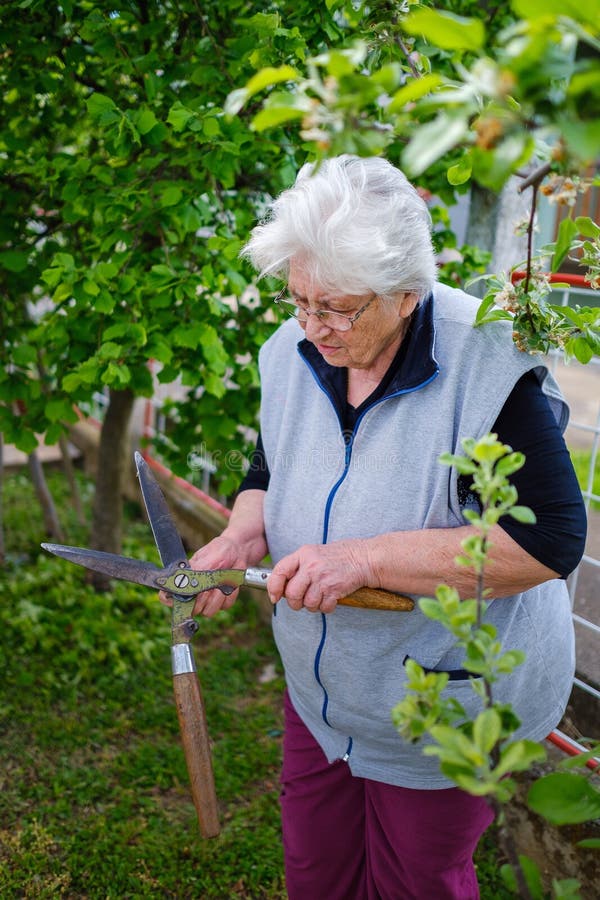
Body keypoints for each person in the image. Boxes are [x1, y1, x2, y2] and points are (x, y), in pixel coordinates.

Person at [185, 155, 587, 899]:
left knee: (416, 880)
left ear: (406, 294)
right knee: (314, 867)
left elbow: (550, 543)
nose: (313, 326)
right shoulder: (292, 347)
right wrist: (244, 533)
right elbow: (269, 464)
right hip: (323, 688)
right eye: (299, 298)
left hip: (443, 699)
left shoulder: (486, 363)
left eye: (336, 306)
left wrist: (366, 558)